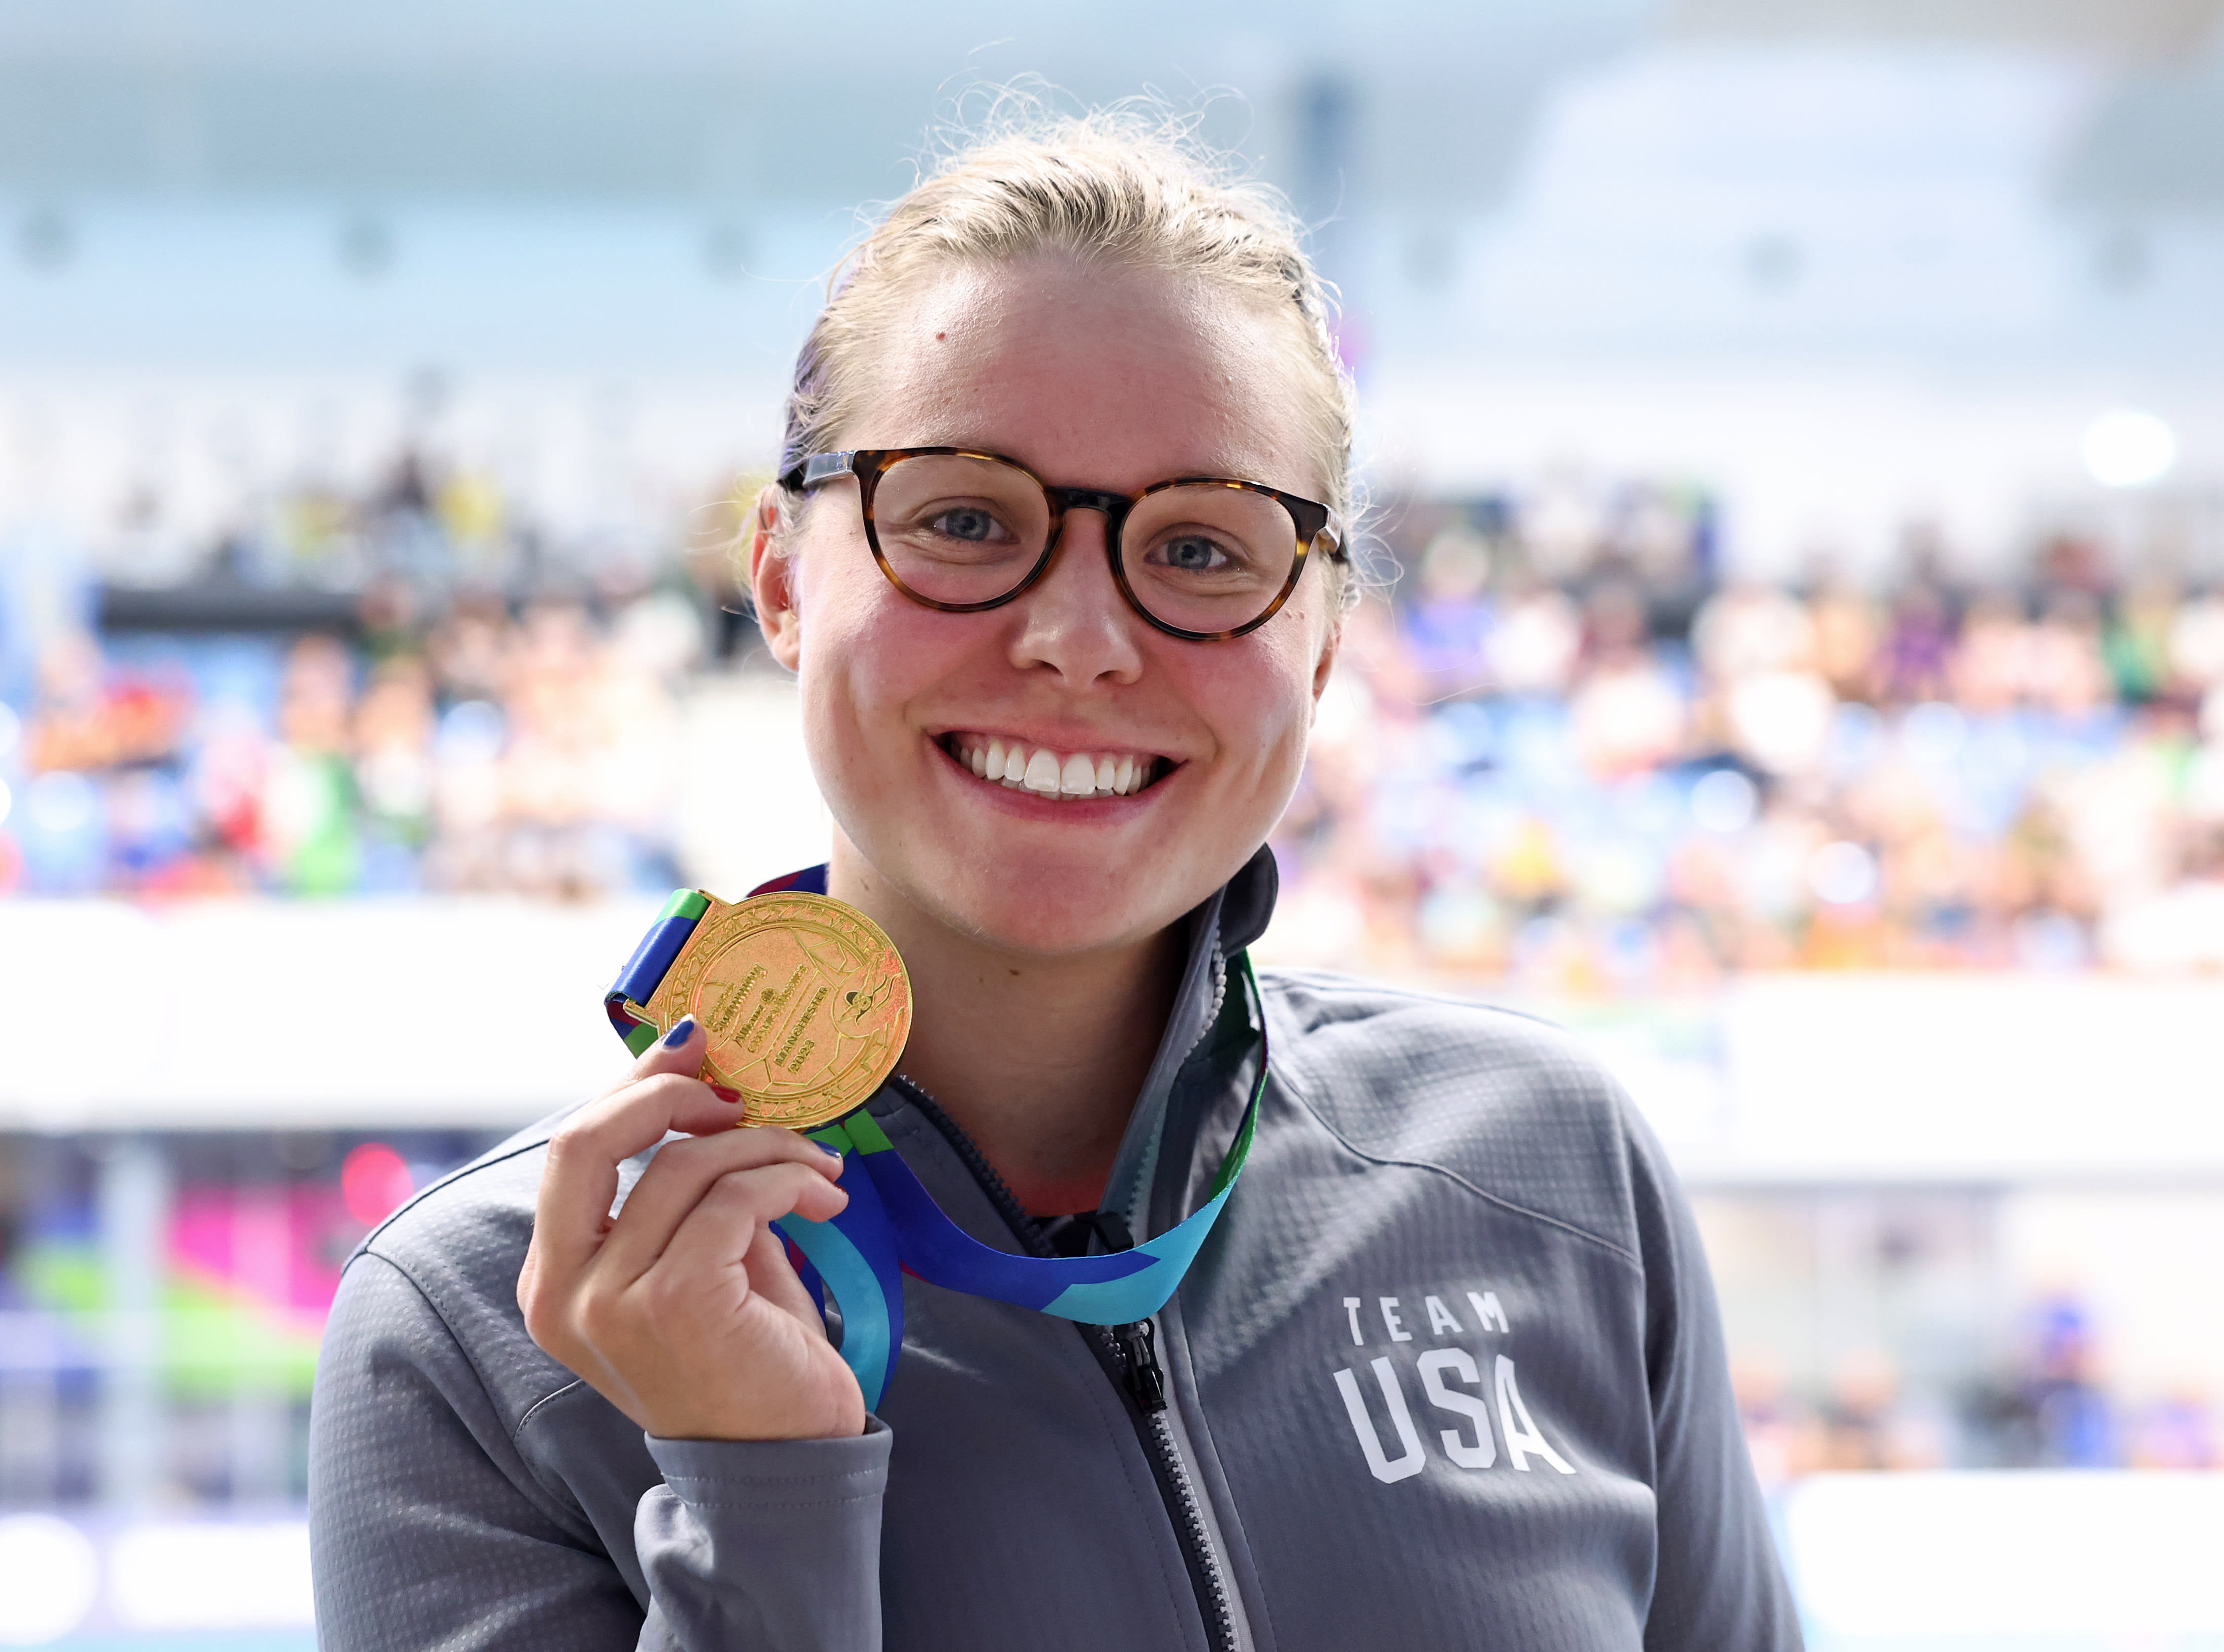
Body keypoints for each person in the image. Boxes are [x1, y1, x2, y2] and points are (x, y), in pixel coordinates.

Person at [309, 109, 1800, 1651]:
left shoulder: (1543, 1172)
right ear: (776, 579)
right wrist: (757, 1499)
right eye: (963, 518)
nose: (1079, 637)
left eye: (1205, 551)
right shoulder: (487, 1333)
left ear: (1326, 637)